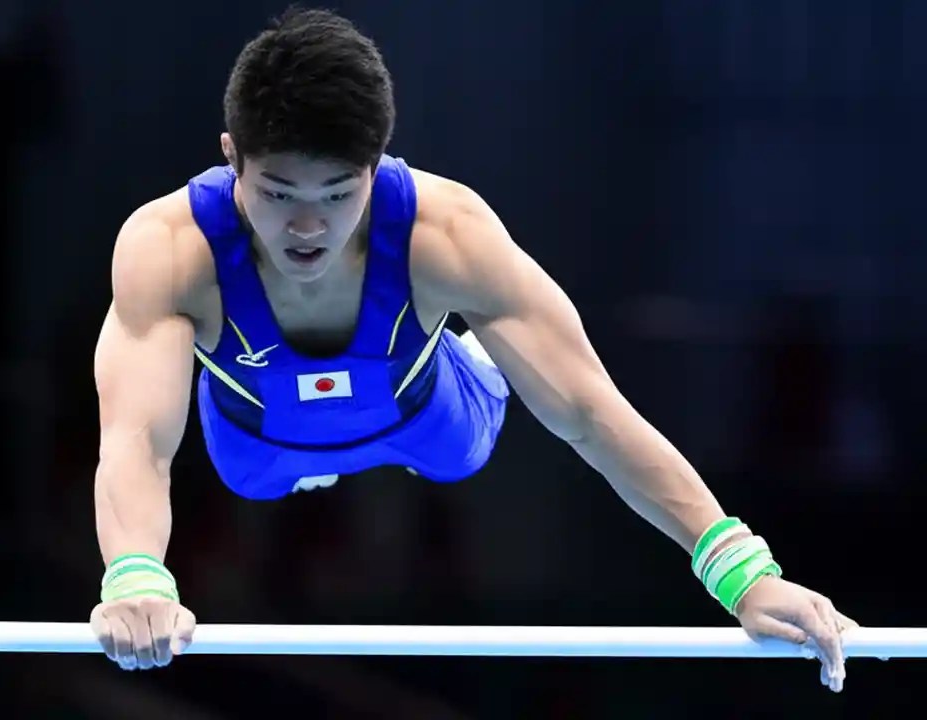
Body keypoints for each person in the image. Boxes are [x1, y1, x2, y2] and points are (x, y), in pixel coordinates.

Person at [88, 6, 856, 690]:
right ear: (232, 157)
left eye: (337, 194)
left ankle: (468, 356)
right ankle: (360, 402)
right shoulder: (169, 249)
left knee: (464, 447)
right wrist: (134, 575)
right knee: (246, 475)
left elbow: (590, 411)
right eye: (279, 193)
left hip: (429, 421)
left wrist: (744, 573)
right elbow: (135, 443)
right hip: (258, 440)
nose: (309, 227)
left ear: (379, 161)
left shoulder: (446, 236)